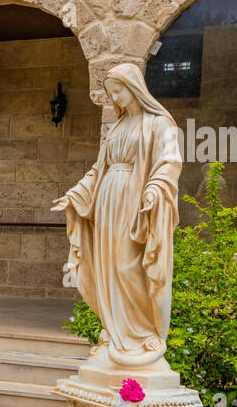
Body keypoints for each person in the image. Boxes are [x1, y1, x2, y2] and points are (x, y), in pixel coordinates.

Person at [51, 63, 183, 371]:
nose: (115, 98)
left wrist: (155, 188)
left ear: (134, 87)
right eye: (111, 93)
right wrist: (75, 194)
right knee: (108, 265)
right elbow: (99, 169)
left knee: (128, 264)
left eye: (118, 91)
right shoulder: (118, 127)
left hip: (135, 200)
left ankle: (142, 332)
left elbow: (169, 162)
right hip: (108, 201)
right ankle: (116, 330)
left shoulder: (160, 123)